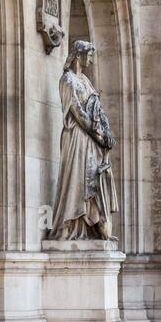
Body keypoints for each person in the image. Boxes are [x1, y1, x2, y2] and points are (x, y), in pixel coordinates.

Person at [47, 40, 118, 241]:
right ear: (78, 55)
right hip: (77, 139)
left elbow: (97, 111)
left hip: (91, 142)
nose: (91, 59)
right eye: (89, 55)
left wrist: (102, 135)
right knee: (78, 181)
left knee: (94, 183)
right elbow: (78, 113)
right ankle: (71, 226)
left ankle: (89, 229)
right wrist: (100, 136)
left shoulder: (85, 80)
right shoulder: (67, 80)